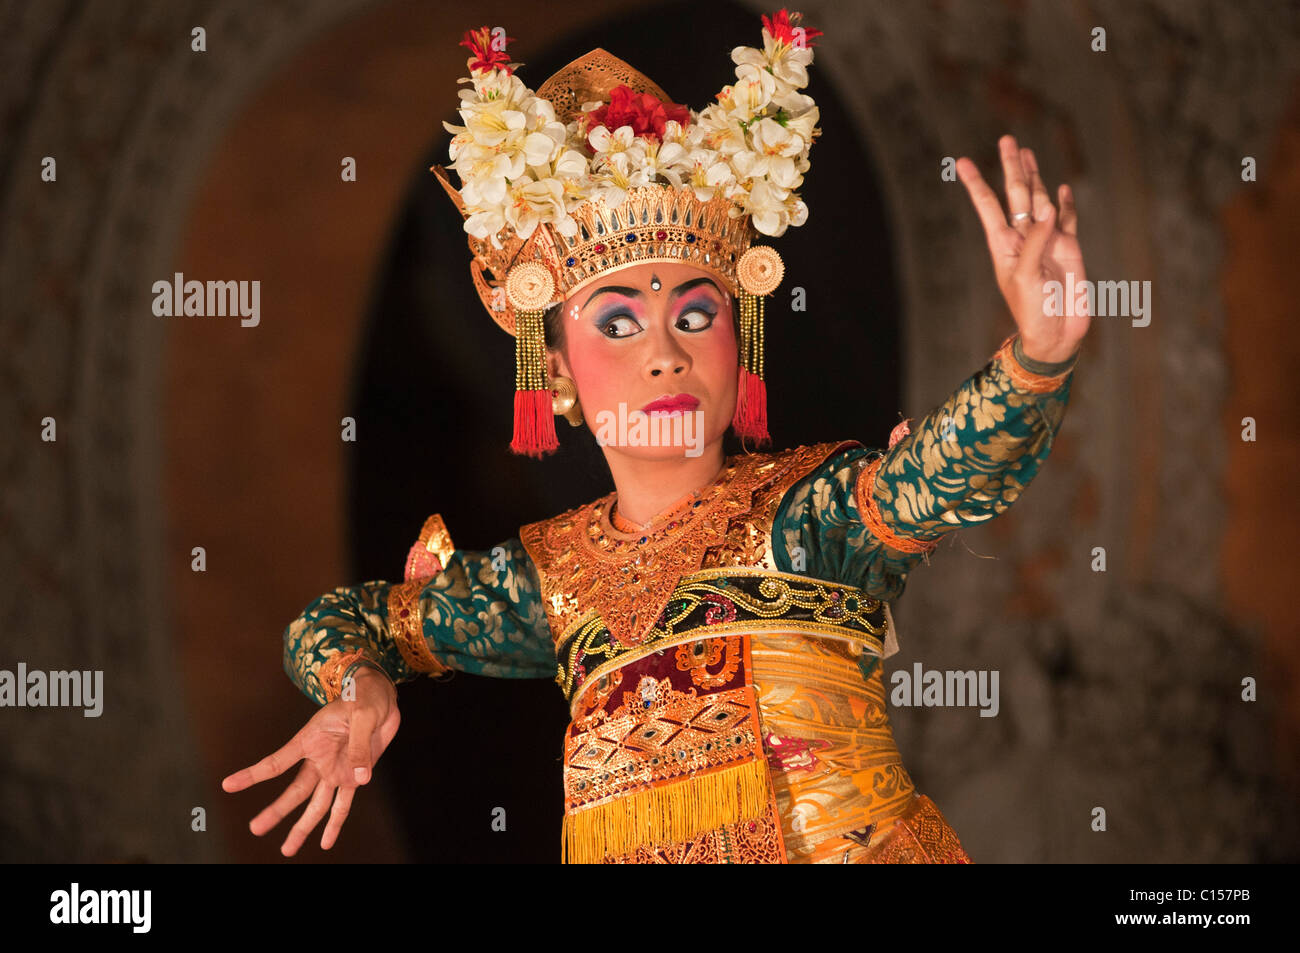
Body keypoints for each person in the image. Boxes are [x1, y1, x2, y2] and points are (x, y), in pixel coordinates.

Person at [222, 9, 1088, 863]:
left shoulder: (807, 514)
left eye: (696, 312)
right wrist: (360, 685)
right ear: (555, 371)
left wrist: (1039, 357)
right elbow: (342, 620)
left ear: (735, 339)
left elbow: (940, 473)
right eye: (620, 323)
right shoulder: (551, 583)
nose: (667, 354)